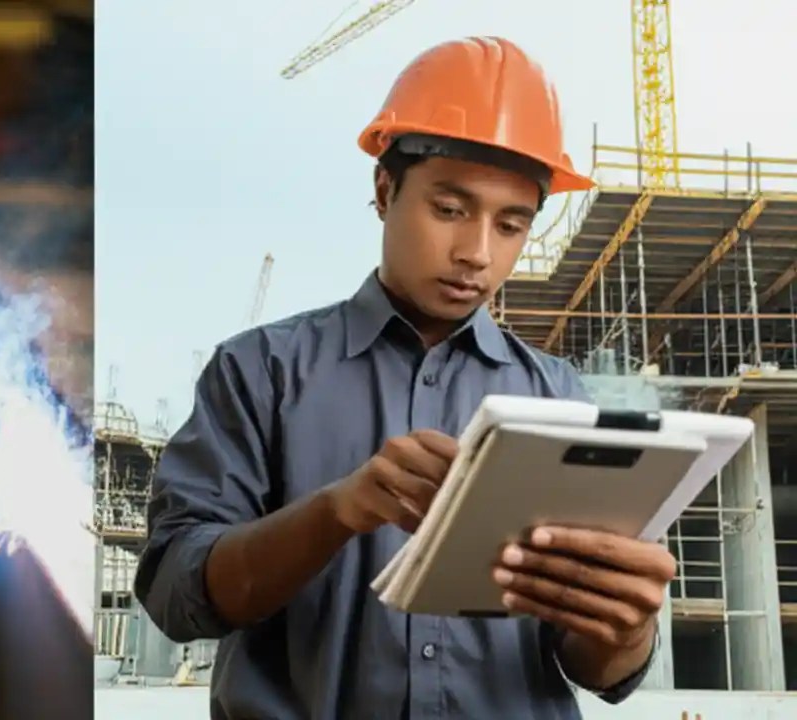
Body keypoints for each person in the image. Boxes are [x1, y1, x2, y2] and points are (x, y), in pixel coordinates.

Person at [134, 36, 676, 720]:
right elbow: (177, 594)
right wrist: (335, 513)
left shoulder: (557, 396)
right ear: (385, 189)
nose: (477, 253)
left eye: (511, 225)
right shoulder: (259, 371)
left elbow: (596, 669)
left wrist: (624, 629)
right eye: (449, 210)